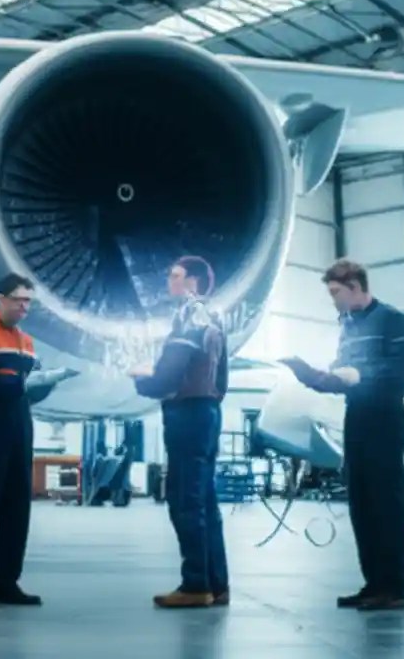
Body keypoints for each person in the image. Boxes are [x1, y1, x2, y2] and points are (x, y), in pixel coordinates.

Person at [279, 259, 404, 612]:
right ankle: (373, 584)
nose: (333, 300)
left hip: (385, 416)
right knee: (362, 501)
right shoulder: (347, 325)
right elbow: (339, 377)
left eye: (335, 293)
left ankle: (394, 588)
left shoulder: (391, 319)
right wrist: (305, 373)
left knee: (386, 501)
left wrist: (363, 374)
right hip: (356, 416)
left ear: (355, 287)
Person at [0, 272, 76, 609]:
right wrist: (18, 384)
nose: (25, 307)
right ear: (1, 298)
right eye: (19, 300)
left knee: (16, 510)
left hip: (20, 429)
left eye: (29, 302)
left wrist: (46, 384)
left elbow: (27, 392)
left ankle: (5, 582)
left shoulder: (26, 342)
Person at [130, 256, 230, 609]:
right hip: (208, 411)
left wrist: (143, 379)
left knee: (185, 498)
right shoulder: (215, 317)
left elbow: (168, 376)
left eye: (175, 276)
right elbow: (223, 377)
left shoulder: (189, 317)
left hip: (187, 414)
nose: (169, 282)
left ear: (193, 282)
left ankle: (195, 584)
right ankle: (216, 584)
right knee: (205, 501)